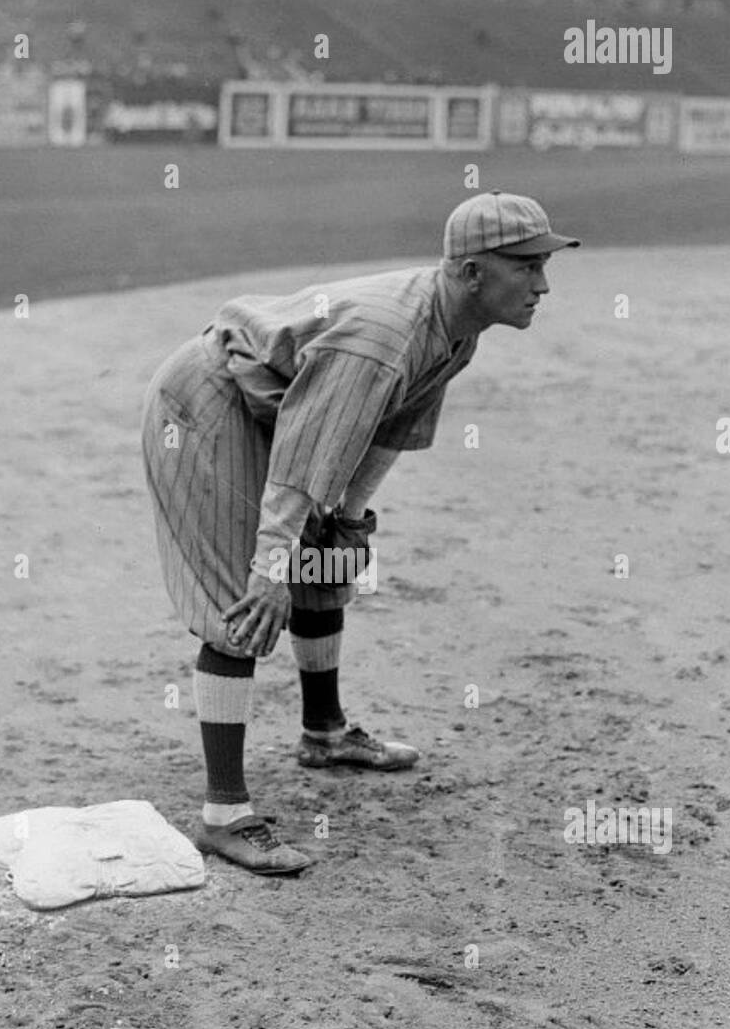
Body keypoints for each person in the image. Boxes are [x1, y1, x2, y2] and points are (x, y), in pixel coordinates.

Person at [141, 190, 580, 875]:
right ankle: (223, 814)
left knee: (326, 559)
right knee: (246, 603)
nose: (542, 284)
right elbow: (300, 461)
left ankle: (323, 733)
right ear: (471, 273)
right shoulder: (383, 339)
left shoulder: (456, 330)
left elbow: (385, 432)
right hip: (210, 407)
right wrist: (270, 569)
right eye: (525, 266)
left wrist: (344, 520)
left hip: (280, 412)